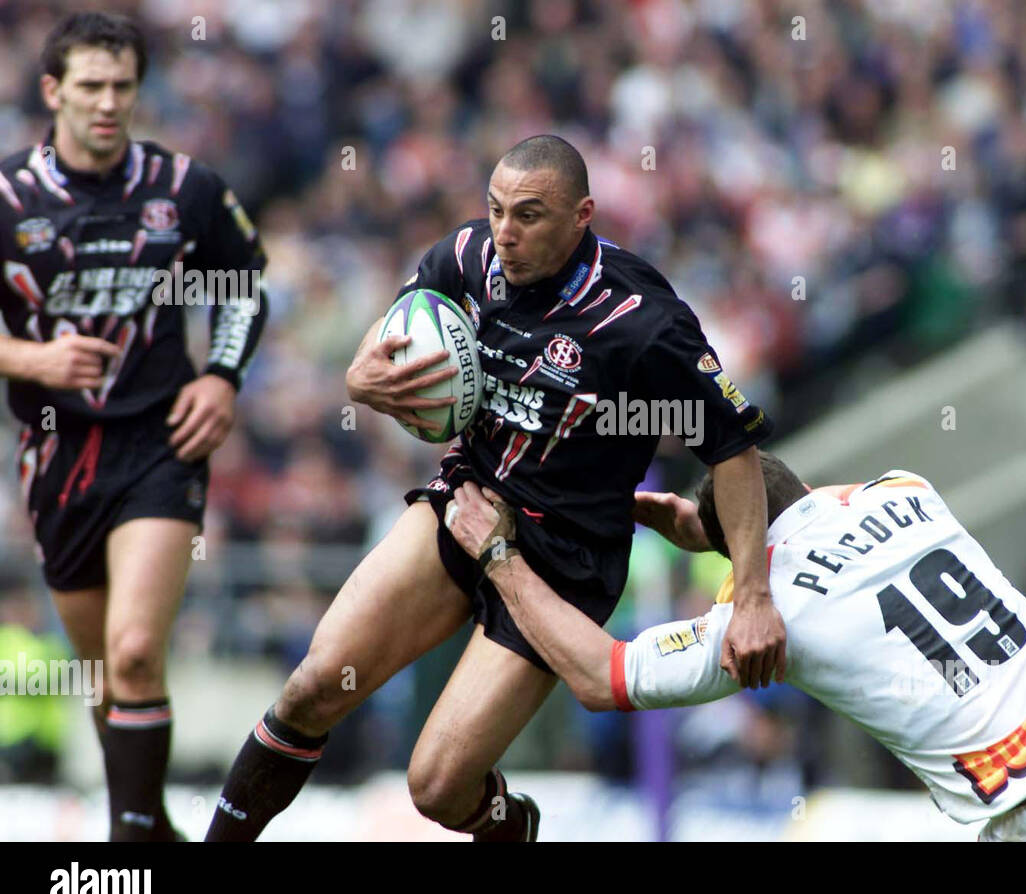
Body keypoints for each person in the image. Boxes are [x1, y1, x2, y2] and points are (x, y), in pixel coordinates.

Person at [205, 135, 781, 842]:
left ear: (582, 216)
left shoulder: (642, 325)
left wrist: (752, 595)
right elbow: (393, 329)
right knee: (315, 685)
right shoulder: (471, 256)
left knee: (439, 788)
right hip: (468, 498)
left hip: (563, 558)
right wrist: (361, 377)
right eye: (497, 209)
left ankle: (512, 827)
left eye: (529, 216)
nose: (505, 233)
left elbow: (734, 447)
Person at [442, 452, 1026, 842]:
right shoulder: (907, 489)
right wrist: (711, 520)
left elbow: (600, 674)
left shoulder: (761, 615)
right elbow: (791, 500)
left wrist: (501, 557)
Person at [0, 12, 268, 840]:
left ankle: (131, 848)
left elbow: (244, 283)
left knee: (138, 651)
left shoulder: (184, 187)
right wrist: (27, 361)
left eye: (122, 86)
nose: (108, 103)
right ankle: (151, 827)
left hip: (161, 440)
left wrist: (222, 378)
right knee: (105, 675)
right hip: (57, 452)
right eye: (90, 86)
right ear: (54, 91)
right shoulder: (9, 197)